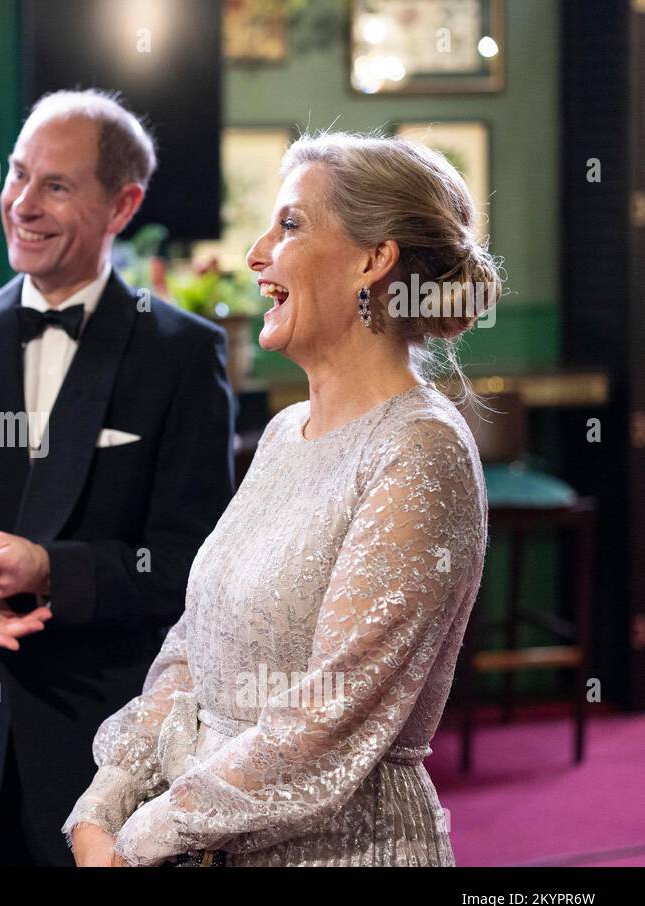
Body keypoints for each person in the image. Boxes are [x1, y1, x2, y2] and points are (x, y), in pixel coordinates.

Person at [65, 131, 495, 866]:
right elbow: (193, 649)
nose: (256, 253)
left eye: (290, 225)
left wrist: (141, 840)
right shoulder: (283, 431)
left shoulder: (421, 450)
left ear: (373, 260)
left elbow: (327, 719)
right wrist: (104, 801)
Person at [0, 89, 235, 866]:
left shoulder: (181, 355)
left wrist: (52, 570)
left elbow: (194, 571)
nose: (23, 204)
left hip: (106, 754)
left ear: (122, 204)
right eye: (18, 175)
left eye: (55, 186)